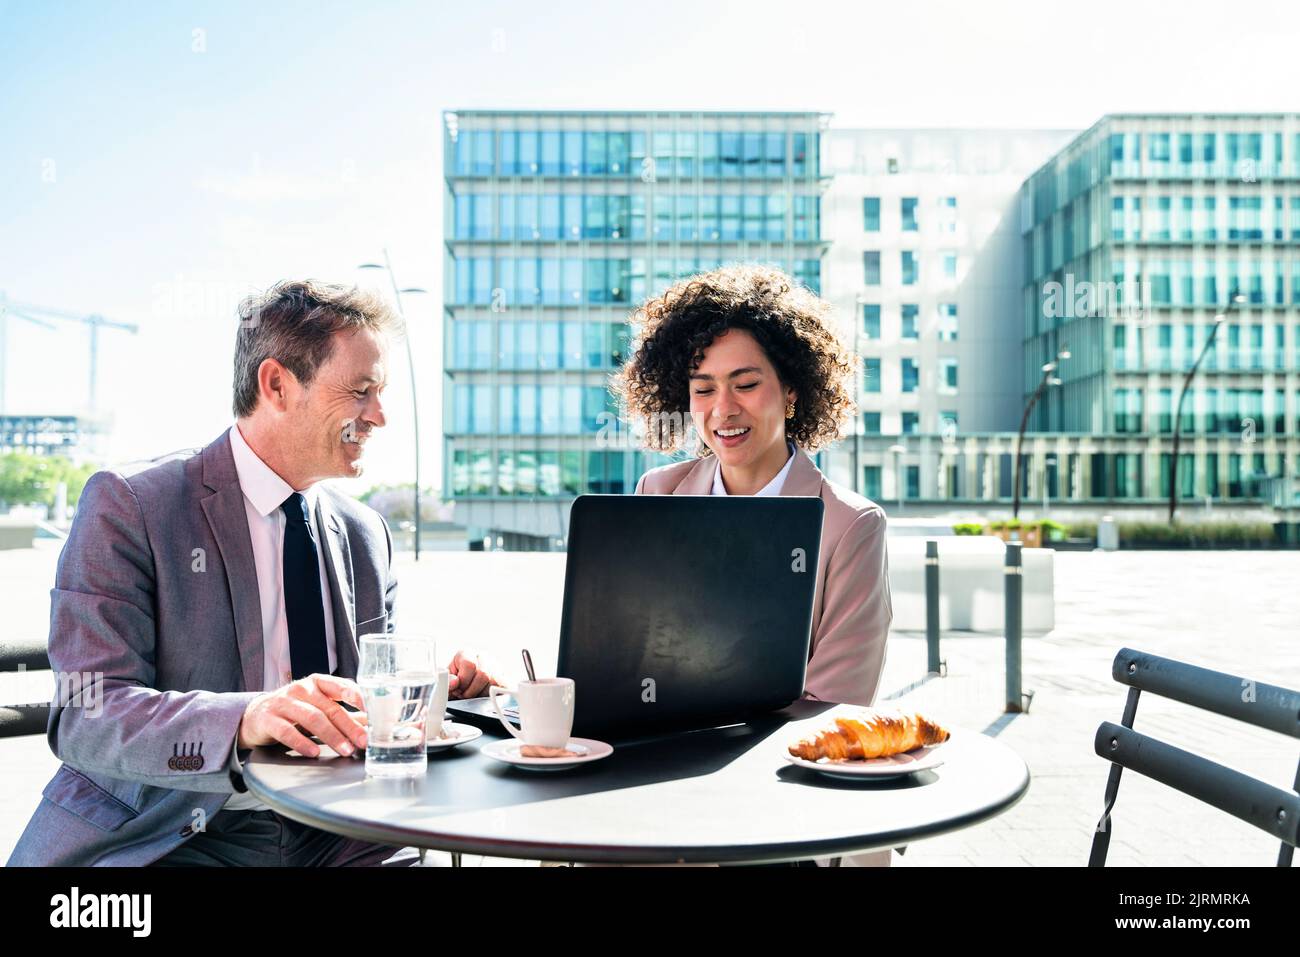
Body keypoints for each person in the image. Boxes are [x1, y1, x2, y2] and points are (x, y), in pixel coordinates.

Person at [8, 280, 498, 867]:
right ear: (276, 385)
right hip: (172, 835)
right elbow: (87, 716)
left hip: (341, 832)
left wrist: (445, 696)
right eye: (362, 391)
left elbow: (369, 700)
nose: (381, 416)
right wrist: (243, 719)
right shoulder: (131, 505)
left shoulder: (365, 533)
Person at [615, 264, 894, 868]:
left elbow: (837, 703)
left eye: (746, 383)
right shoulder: (657, 494)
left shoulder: (849, 526)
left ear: (793, 391)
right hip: (654, 774)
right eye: (704, 387)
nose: (723, 409)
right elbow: (626, 650)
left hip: (777, 791)